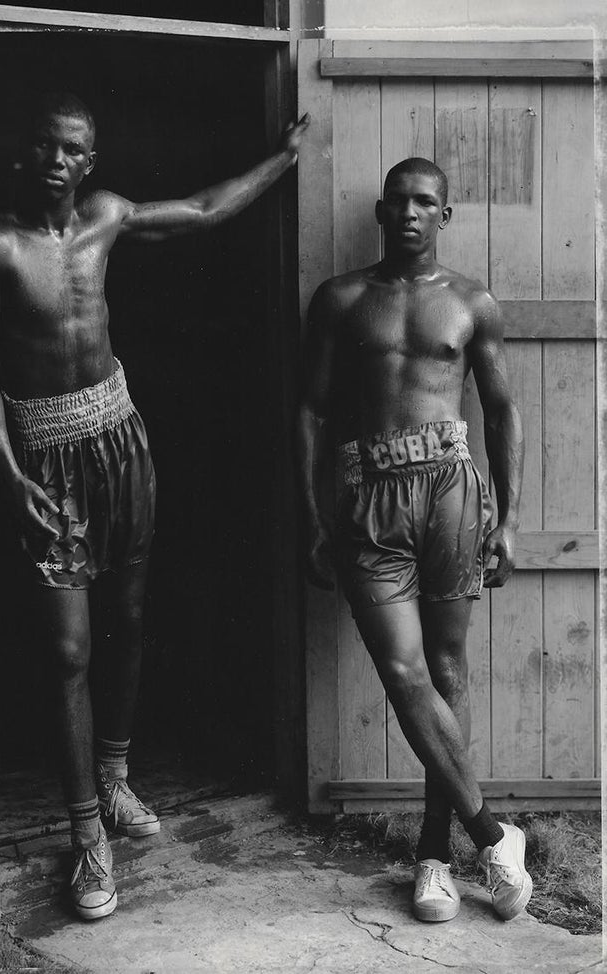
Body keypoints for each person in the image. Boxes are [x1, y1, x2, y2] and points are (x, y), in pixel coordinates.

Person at [0, 91, 309, 921]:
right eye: (45, 145)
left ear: (90, 162)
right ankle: (87, 833)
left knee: (126, 621)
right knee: (68, 650)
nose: (57, 160)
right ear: (24, 152)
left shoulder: (107, 216)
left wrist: (284, 158)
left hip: (119, 442)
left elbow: (203, 209)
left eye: (72, 149)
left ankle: (116, 778)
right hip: (45, 457)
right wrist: (10, 476)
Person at [297, 157, 531, 923]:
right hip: (370, 496)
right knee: (404, 672)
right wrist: (314, 515)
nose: (409, 212)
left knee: (447, 668)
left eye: (424, 201)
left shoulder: (471, 302)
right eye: (397, 200)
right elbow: (310, 411)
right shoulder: (341, 299)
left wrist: (510, 518)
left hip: (450, 492)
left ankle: (434, 855)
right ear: (379, 211)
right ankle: (493, 836)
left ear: (444, 214)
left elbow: (501, 409)